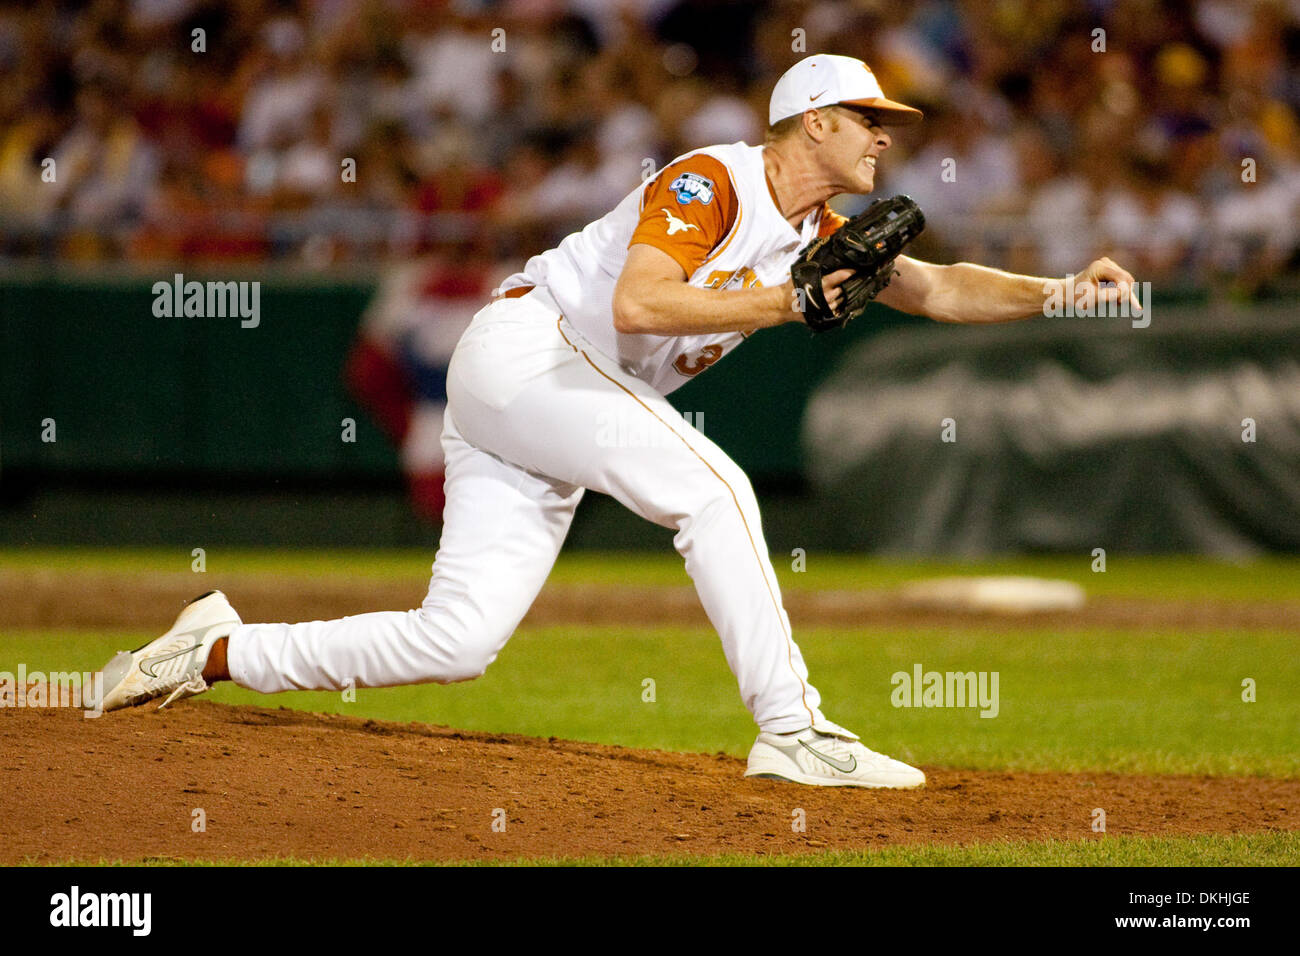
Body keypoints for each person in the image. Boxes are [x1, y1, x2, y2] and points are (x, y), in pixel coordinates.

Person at [91, 54, 1140, 789]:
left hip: (549, 403)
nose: (884, 137)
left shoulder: (818, 228)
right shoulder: (715, 178)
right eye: (870, 119)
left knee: (456, 639)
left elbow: (941, 286)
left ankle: (214, 650)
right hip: (527, 354)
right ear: (813, 121)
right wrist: (784, 301)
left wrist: (1059, 292)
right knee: (716, 487)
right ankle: (794, 730)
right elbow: (640, 301)